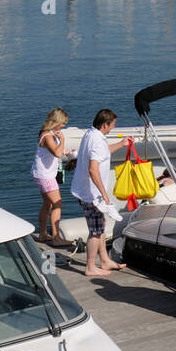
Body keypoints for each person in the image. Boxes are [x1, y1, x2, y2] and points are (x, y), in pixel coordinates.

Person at [70, 109, 130, 278]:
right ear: (105, 124)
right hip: (92, 194)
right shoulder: (96, 140)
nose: (113, 127)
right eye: (113, 125)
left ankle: (104, 260)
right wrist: (104, 194)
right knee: (95, 231)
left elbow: (103, 153)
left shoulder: (91, 134)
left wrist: (121, 144)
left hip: (84, 190)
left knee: (100, 225)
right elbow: (93, 169)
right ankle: (90, 267)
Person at [32, 108, 70, 246]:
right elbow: (57, 154)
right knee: (57, 204)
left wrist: (64, 150)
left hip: (40, 174)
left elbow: (53, 151)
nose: (63, 126)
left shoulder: (45, 134)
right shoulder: (48, 136)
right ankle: (56, 238)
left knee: (47, 204)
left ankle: (43, 234)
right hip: (46, 177)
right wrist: (63, 141)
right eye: (63, 123)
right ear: (56, 122)